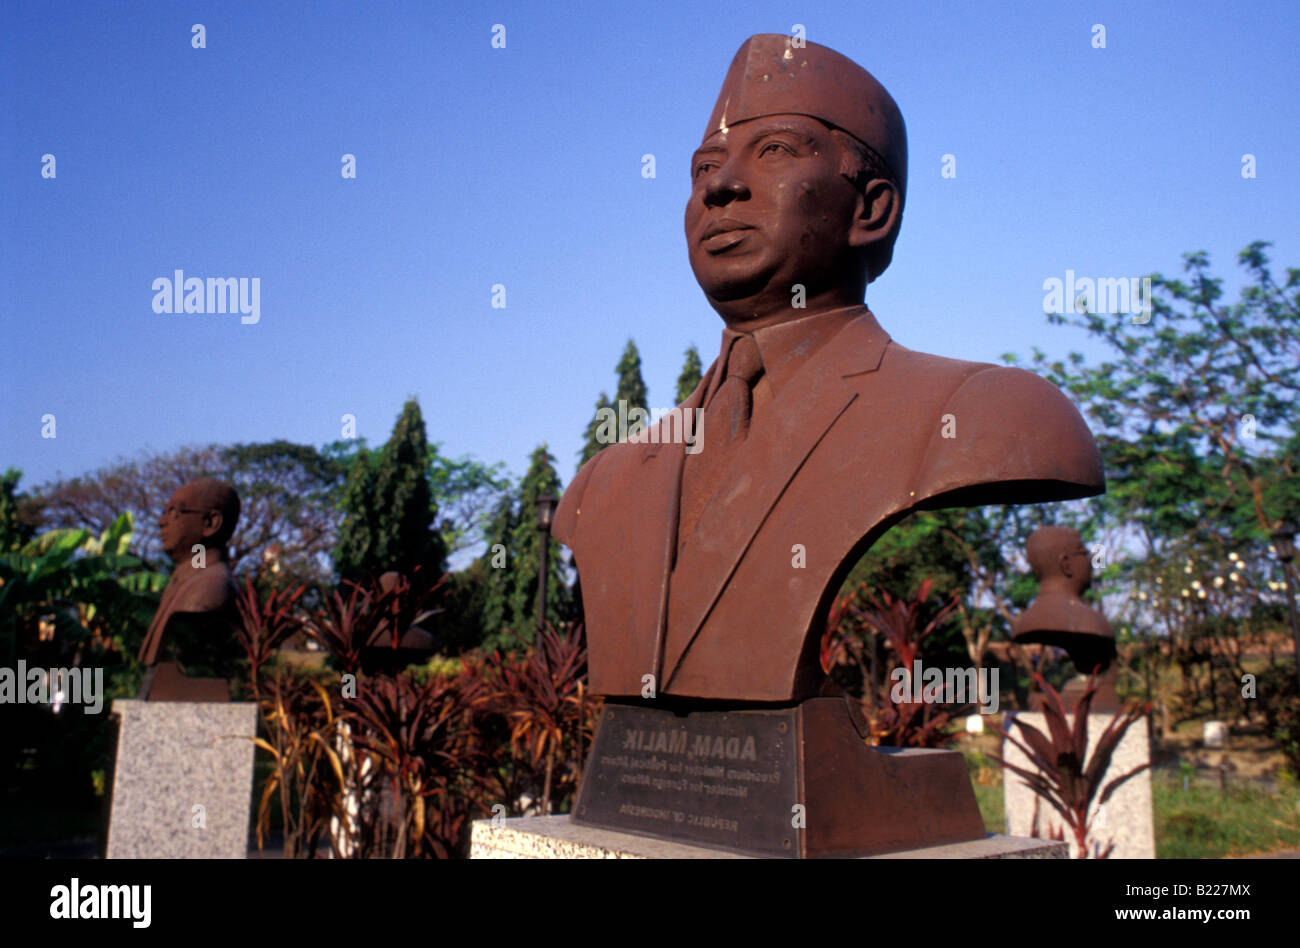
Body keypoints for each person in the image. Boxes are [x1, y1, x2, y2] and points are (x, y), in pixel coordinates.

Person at [553, 35, 1104, 704]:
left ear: (871, 208)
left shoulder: (986, 413)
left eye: (776, 151)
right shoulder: (603, 485)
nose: (721, 187)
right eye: (703, 169)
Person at [137, 478, 241, 699]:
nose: (162, 522)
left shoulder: (211, 586)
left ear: (210, 523)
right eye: (164, 511)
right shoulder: (190, 577)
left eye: (174, 512)